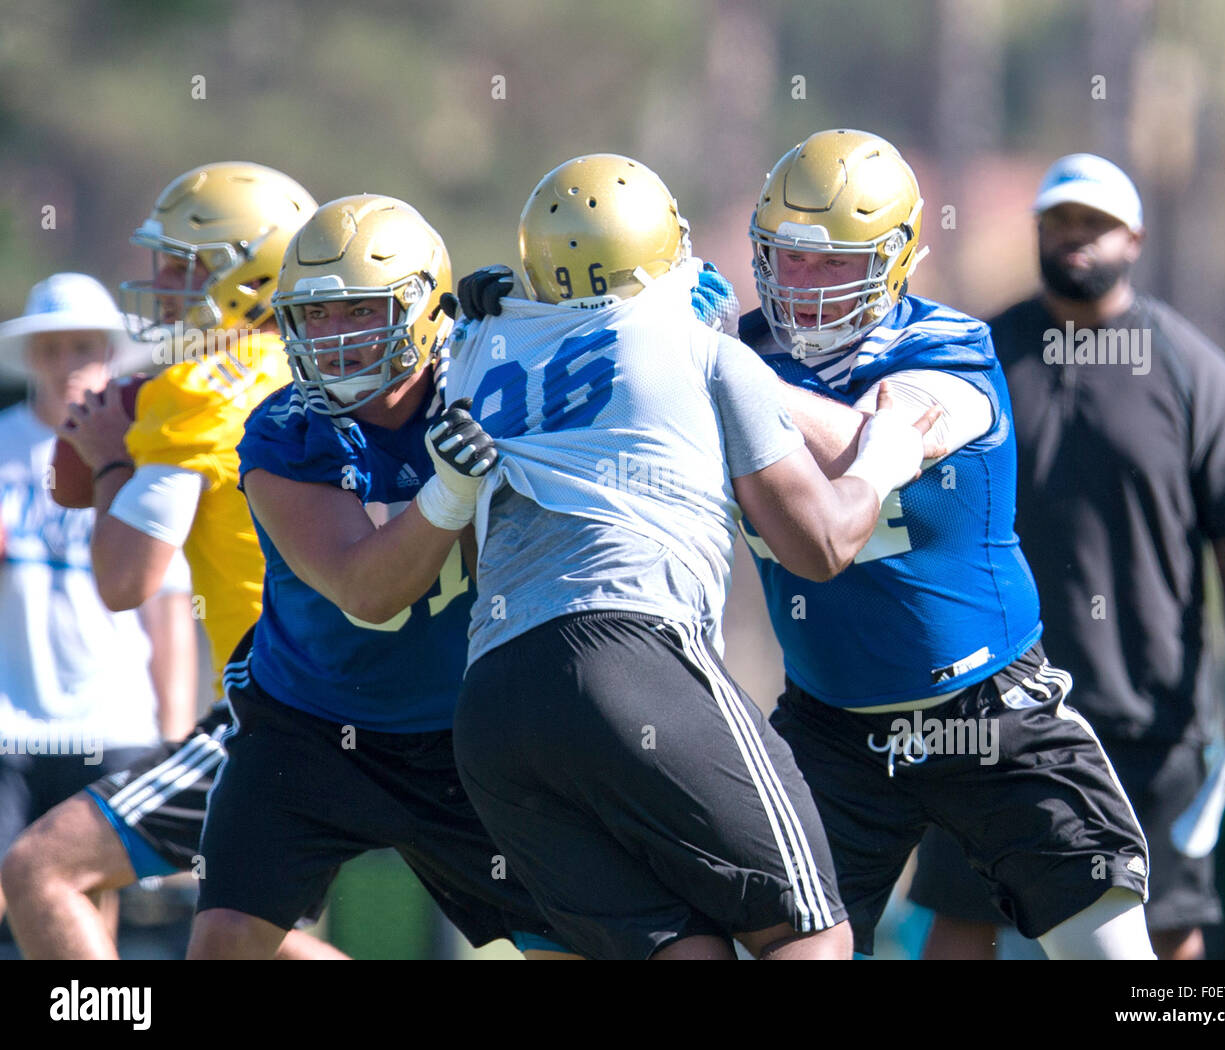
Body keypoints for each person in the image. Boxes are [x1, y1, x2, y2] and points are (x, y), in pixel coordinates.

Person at [441, 153, 949, 960]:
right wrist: (885, 456)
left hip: (494, 708)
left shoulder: (474, 349)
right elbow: (818, 546)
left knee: (686, 952)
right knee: (810, 934)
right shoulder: (700, 345)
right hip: (630, 658)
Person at [739, 128, 1158, 960]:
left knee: (1116, 961)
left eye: (832, 263)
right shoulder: (737, 348)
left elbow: (865, 439)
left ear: (894, 261)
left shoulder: (949, 349)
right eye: (786, 257)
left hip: (991, 711)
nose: (801, 284)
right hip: (832, 725)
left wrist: (708, 369)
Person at [907, 153, 1225, 960]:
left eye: (1095, 223)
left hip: (1150, 712)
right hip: (993, 703)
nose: (1076, 238)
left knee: (1165, 924)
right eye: (1059, 222)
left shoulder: (1192, 371)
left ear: (1135, 237)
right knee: (962, 915)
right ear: (1038, 232)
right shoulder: (981, 356)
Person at [185, 193, 561, 960]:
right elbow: (367, 589)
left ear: (424, 311)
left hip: (467, 735)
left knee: (581, 944)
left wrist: (544, 318)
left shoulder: (488, 387)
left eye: (354, 311)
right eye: (311, 316)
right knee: (224, 942)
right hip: (309, 727)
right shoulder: (285, 429)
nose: (329, 338)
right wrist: (451, 490)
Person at [0, 164, 346, 959]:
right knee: (233, 933)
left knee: (40, 872)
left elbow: (126, 584)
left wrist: (108, 458)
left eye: (181, 264)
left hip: (278, 705)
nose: (160, 283)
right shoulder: (321, 367)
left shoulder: (196, 393)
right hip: (377, 700)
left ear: (245, 273)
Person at [0, 273, 193, 930]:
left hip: (113, 723)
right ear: (32, 358)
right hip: (9, 724)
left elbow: (168, 612)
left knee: (82, 903)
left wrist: (174, 741)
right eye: (51, 349)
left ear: (109, 353)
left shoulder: (143, 458)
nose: (66, 365)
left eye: (82, 347)